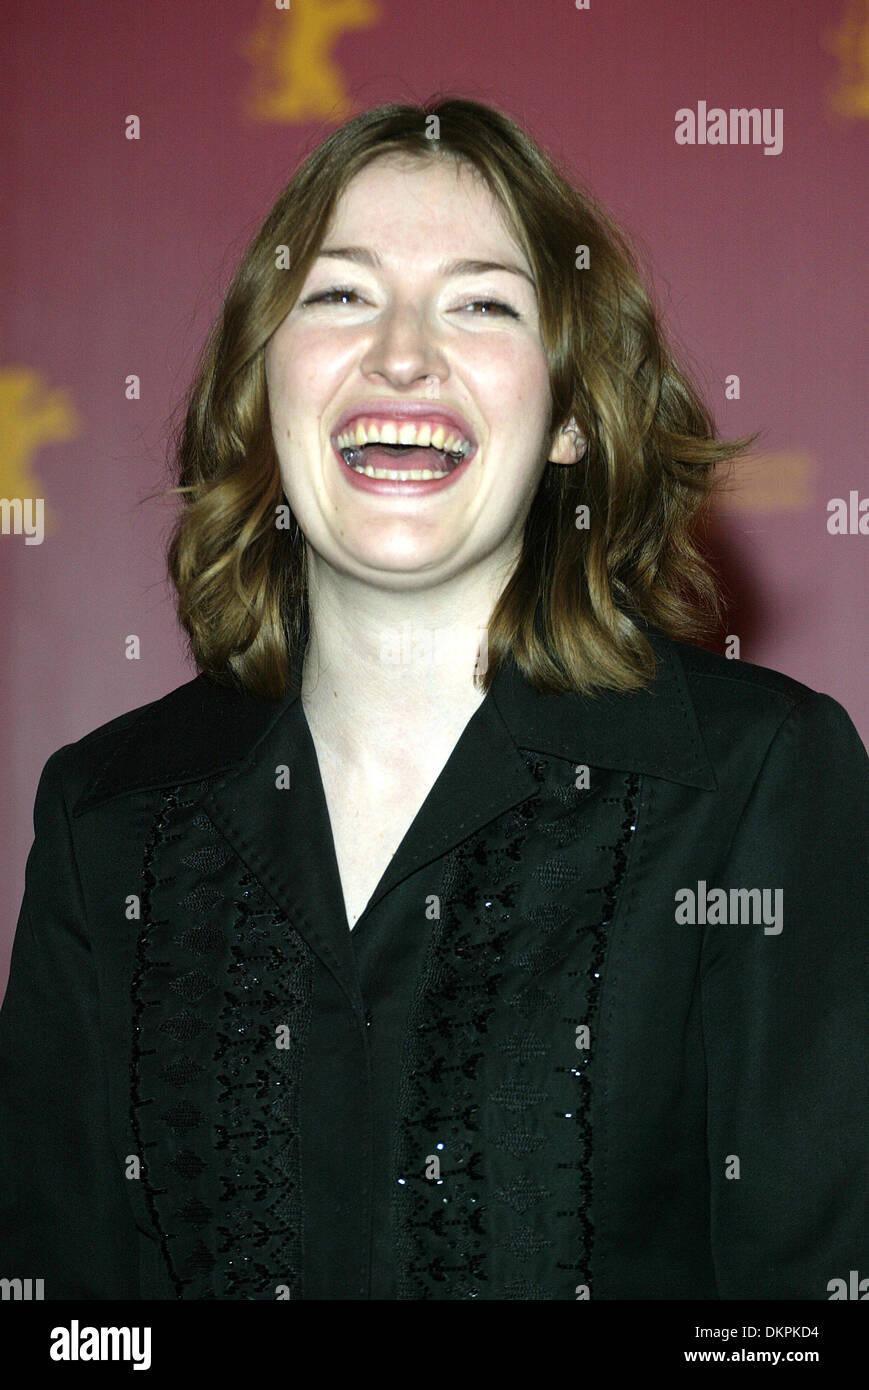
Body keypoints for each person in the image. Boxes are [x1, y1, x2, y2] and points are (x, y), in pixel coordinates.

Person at [0, 97, 866, 1302]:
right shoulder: (103, 819)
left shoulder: (758, 777)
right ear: (262, 386)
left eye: (482, 302)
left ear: (566, 416)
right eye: (342, 293)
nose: (402, 351)